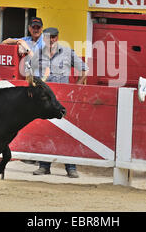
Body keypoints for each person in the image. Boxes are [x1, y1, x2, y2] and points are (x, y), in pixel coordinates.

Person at [31, 27, 88, 178]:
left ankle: (71, 167)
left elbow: (84, 70)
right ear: (45, 38)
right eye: (49, 37)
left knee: (67, 132)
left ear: (58, 37)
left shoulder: (67, 52)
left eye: (55, 37)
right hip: (45, 100)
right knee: (45, 131)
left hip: (64, 99)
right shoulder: (38, 54)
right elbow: (31, 75)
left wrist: (76, 88)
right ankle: (44, 166)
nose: (52, 40)